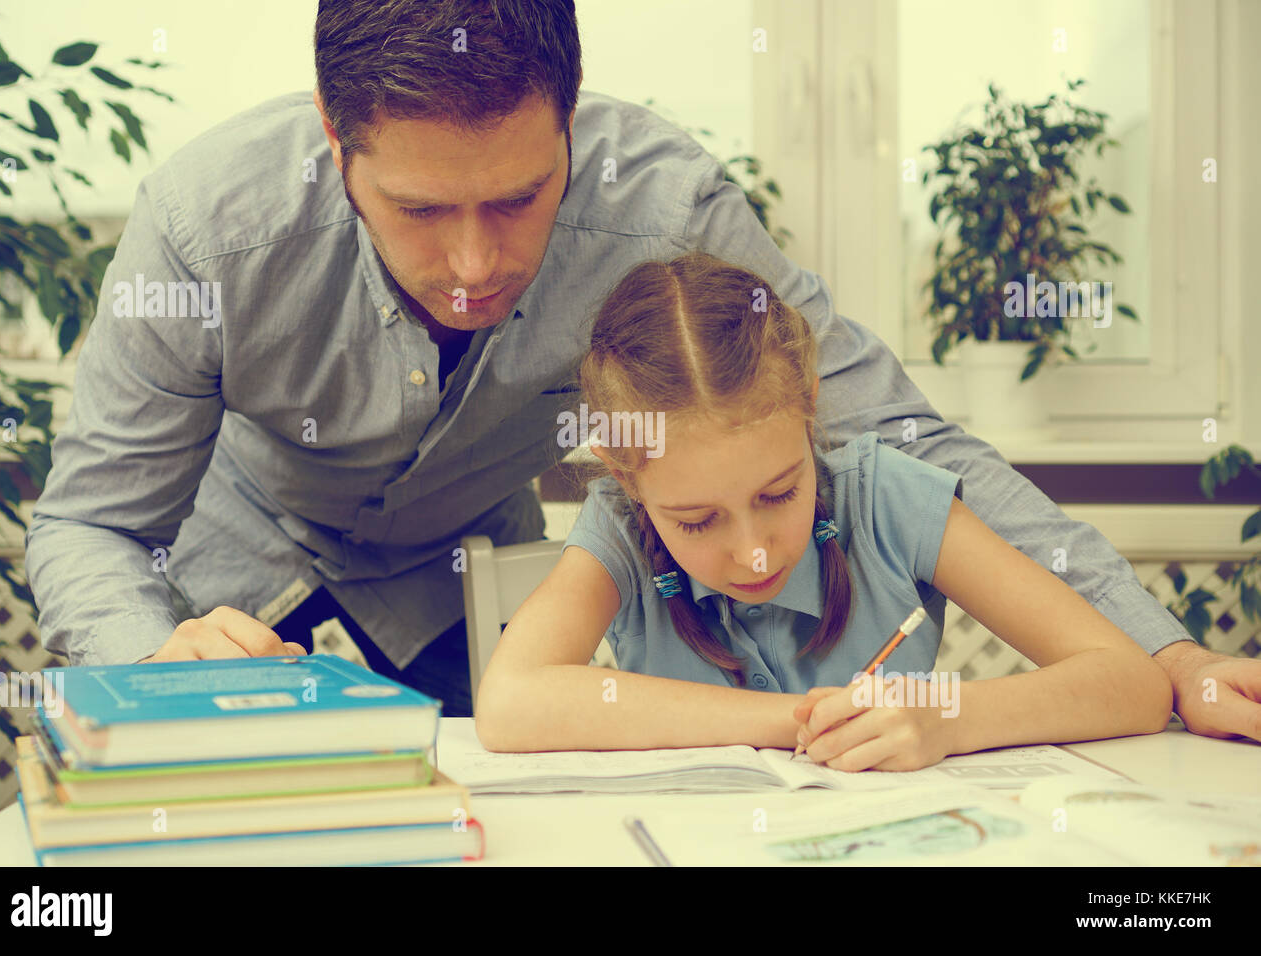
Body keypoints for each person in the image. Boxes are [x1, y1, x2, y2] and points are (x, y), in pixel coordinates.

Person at [23, 0, 1259, 738]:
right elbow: (90, 519)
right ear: (333, 138)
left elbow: (902, 439)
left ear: (572, 118)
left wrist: (1165, 658)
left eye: (519, 199)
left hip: (466, 596)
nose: (471, 264)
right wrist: (147, 662)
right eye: (418, 210)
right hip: (238, 613)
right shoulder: (204, 224)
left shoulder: (666, 202)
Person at [474, 253, 1174, 767]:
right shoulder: (619, 534)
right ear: (627, 476)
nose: (753, 550)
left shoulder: (887, 499)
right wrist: (794, 720)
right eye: (697, 521)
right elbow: (508, 704)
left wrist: (948, 717)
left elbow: (1133, 684)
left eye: (779, 495)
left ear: (809, 403)